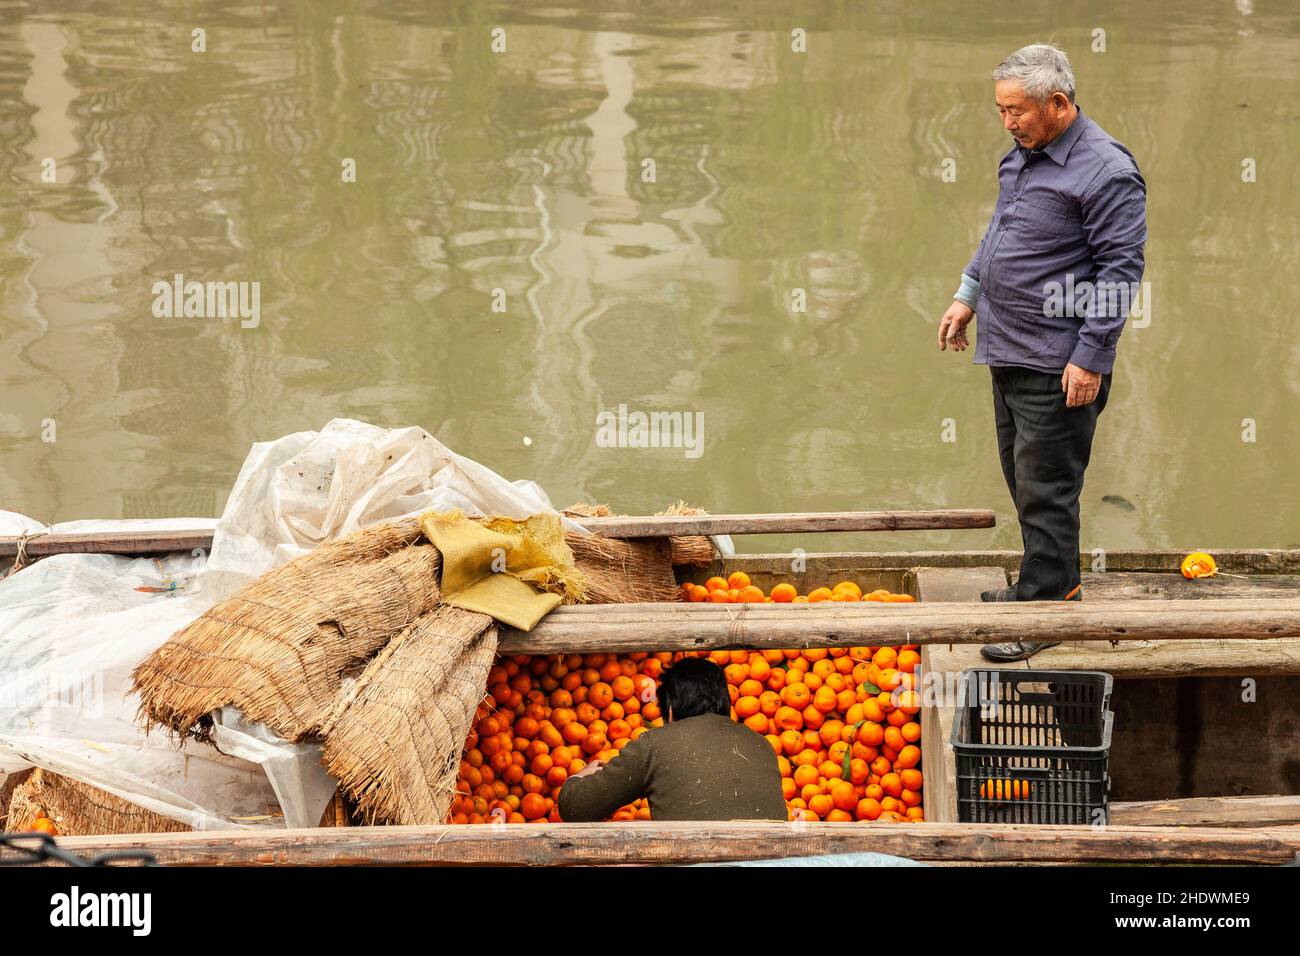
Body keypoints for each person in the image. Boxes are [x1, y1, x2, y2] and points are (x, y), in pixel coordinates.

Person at [937, 43, 1147, 662]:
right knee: (1023, 477)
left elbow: (1119, 271)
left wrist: (1090, 358)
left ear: (1058, 103)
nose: (1007, 121)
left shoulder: (1105, 171)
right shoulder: (1026, 156)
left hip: (1058, 360)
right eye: (1000, 110)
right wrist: (968, 294)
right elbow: (1002, 230)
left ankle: (1053, 607)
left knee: (1049, 484)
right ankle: (1041, 583)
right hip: (1009, 346)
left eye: (1017, 111)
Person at [556, 657, 788, 822]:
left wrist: (579, 776)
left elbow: (575, 809)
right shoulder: (762, 745)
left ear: (669, 710)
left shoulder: (655, 745)